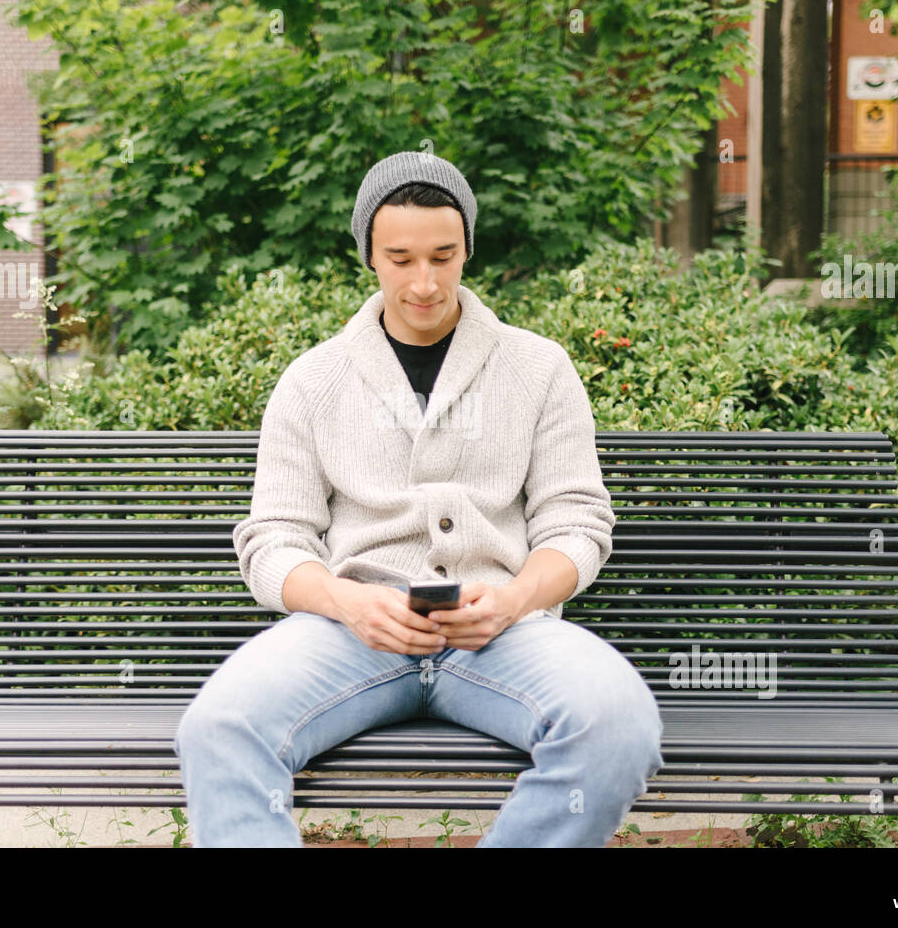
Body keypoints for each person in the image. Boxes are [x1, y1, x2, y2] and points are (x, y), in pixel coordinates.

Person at [174, 150, 664, 847]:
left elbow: (578, 522)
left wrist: (517, 598)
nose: (425, 282)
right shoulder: (313, 380)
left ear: (468, 247)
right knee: (219, 727)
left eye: (444, 254)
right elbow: (273, 540)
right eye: (400, 258)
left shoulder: (539, 368)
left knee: (619, 722)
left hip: (502, 633)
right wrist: (347, 602)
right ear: (368, 256)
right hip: (349, 633)